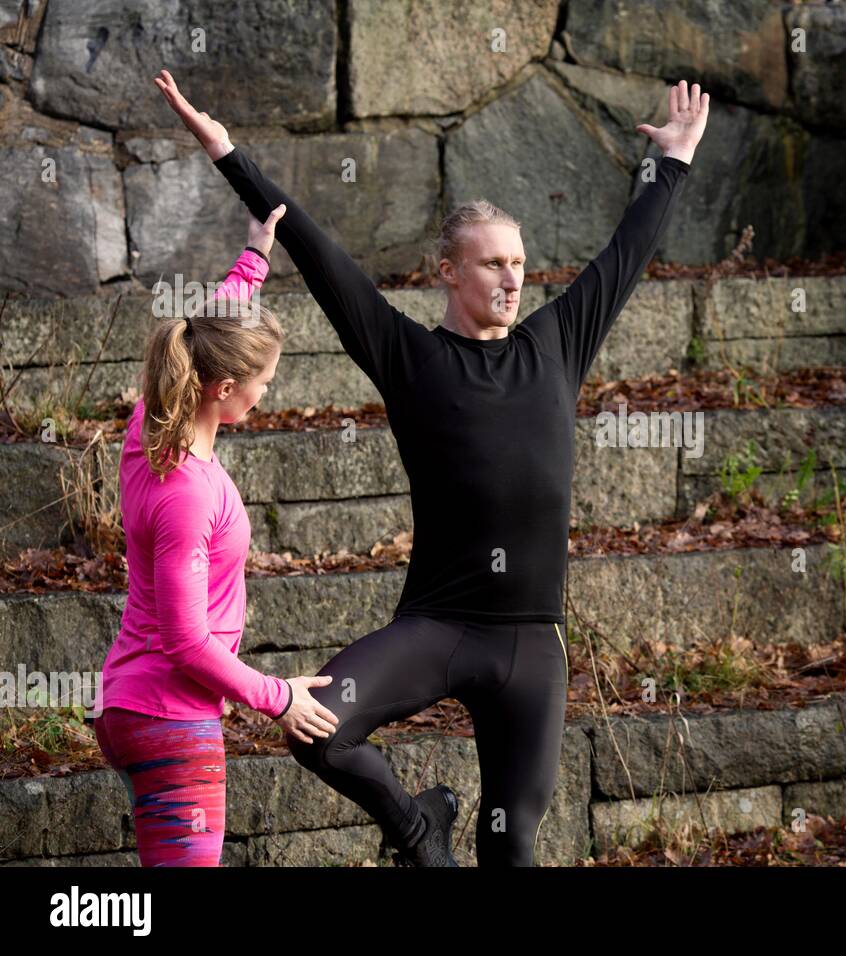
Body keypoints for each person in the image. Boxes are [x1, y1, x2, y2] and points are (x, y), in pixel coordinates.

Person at [154, 68, 708, 866]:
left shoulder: (557, 344)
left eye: (519, 264)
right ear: (448, 271)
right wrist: (228, 152)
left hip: (529, 646)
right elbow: (317, 252)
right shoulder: (408, 357)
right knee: (323, 728)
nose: (512, 279)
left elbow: (629, 250)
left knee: (510, 838)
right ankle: (416, 829)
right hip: (439, 625)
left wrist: (673, 160)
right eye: (491, 265)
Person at [90, 211, 340, 867]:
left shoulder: (149, 428)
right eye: (263, 383)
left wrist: (255, 257)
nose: (266, 393)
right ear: (225, 390)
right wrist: (276, 696)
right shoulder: (188, 494)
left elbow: (209, 331)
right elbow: (185, 640)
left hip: (131, 708)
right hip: (170, 721)